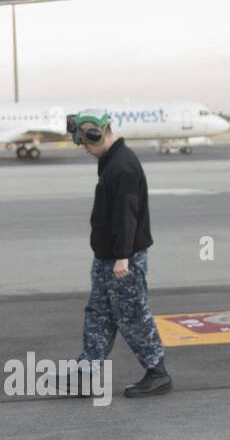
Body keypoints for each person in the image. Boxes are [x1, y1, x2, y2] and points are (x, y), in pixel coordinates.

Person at [69, 110, 171, 398]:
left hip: (122, 259)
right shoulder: (110, 160)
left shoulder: (122, 166)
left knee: (132, 315)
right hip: (107, 256)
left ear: (97, 135)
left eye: (87, 144)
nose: (86, 150)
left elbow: (128, 215)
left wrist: (123, 257)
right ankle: (87, 373)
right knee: (98, 313)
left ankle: (157, 372)